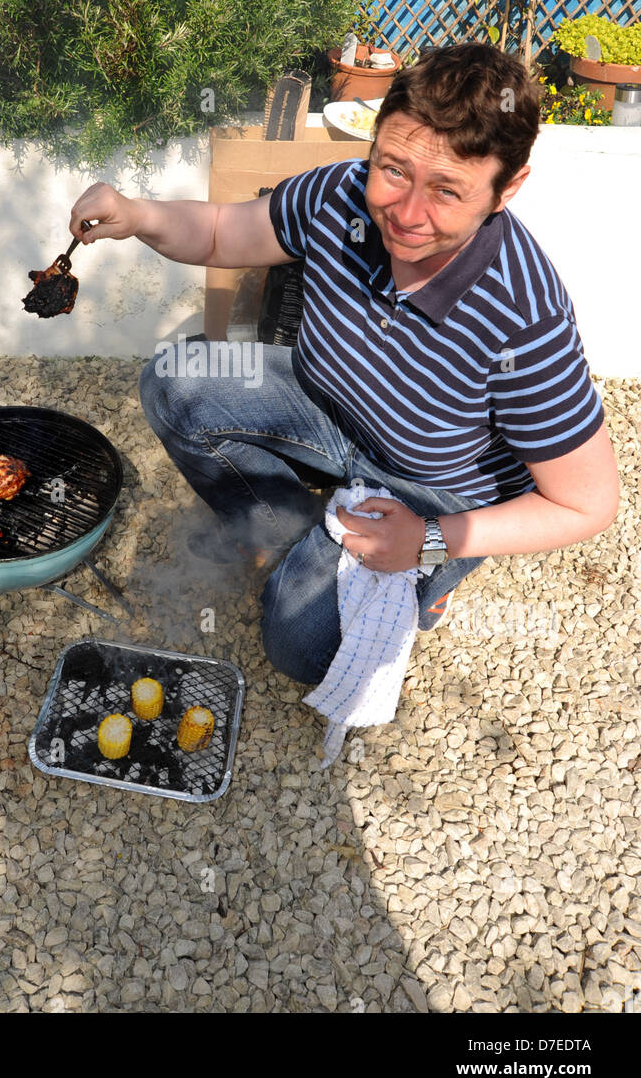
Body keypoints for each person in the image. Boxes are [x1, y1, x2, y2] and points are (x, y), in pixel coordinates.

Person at [67, 43, 620, 686]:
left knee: (298, 647)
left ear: (507, 188)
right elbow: (223, 231)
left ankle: (427, 572)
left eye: (447, 190)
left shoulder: (524, 318)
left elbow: (587, 506)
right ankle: (299, 538)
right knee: (174, 384)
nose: (407, 215)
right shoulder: (340, 194)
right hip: (331, 413)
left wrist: (431, 538)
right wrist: (136, 215)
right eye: (393, 170)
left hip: (429, 489)